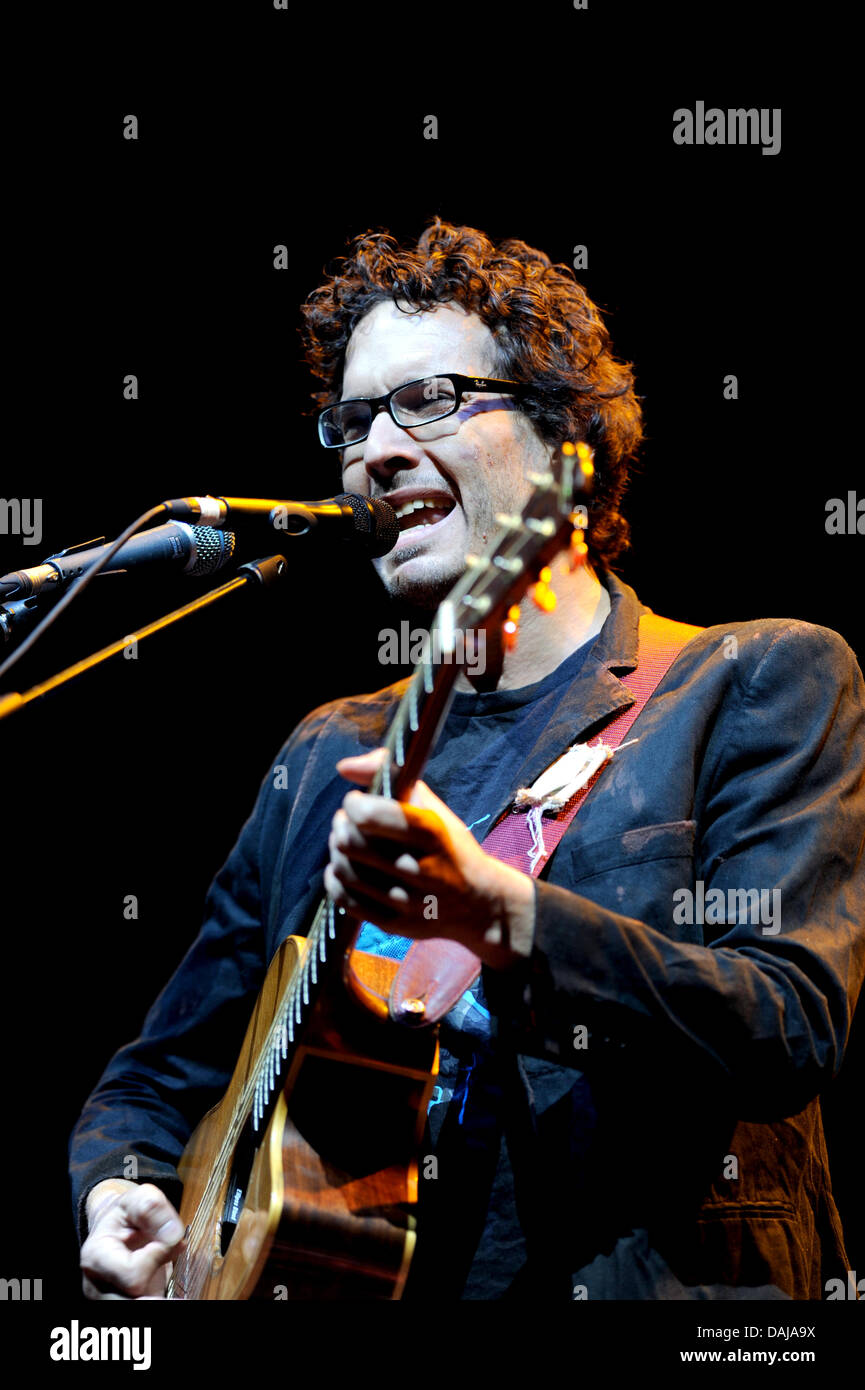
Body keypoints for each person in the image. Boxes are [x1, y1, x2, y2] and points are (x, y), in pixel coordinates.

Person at [70, 219, 865, 1301]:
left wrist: (510, 924)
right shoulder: (331, 751)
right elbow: (155, 1079)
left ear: (562, 446)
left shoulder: (749, 680)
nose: (377, 451)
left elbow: (788, 1024)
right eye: (352, 422)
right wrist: (124, 1192)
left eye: (430, 400)